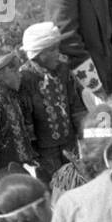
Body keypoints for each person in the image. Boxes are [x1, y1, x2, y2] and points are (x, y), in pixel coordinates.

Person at [18, 22, 86, 186]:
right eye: (52, 50)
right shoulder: (25, 78)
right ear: (39, 54)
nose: (58, 53)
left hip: (69, 143)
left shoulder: (63, 70)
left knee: (76, 182)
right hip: (44, 150)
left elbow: (75, 104)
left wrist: (84, 132)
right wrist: (31, 151)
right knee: (53, 186)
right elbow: (25, 117)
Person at [0, 46, 35, 187]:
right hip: (3, 169)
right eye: (13, 70)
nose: (19, 74)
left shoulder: (11, 96)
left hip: (16, 164)